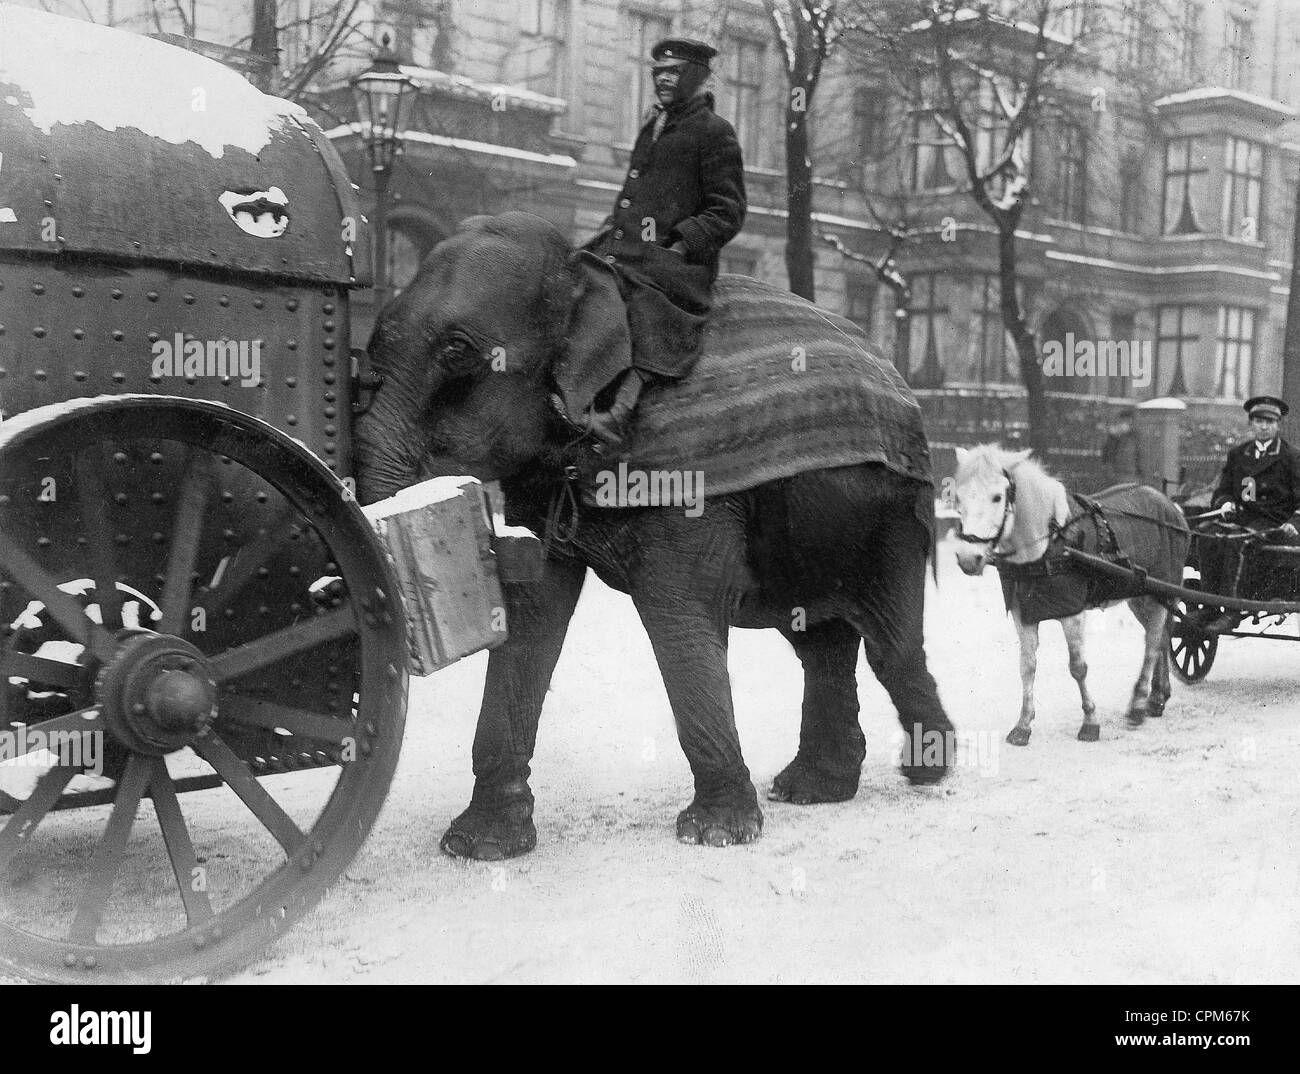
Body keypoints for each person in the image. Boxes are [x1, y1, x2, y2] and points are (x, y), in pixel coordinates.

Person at [581, 38, 747, 446]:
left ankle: (622, 409)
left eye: (673, 72)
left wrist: (682, 244)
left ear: (695, 77)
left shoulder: (714, 132)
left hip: (677, 267)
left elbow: (728, 210)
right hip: (628, 251)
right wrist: (609, 231)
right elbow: (635, 197)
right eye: (659, 72)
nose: (664, 80)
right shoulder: (653, 126)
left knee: (644, 305)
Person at [1198, 395, 1300, 633]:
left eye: (1269, 422)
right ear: (1251, 424)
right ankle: (1209, 606)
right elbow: (1223, 490)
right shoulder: (1239, 454)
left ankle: (1233, 609)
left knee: (1238, 543)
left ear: (1277, 425)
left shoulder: (1291, 457)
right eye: (1258, 421)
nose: (1264, 426)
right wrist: (1225, 503)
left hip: (1274, 523)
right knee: (1205, 535)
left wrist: (1293, 522)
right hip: (1242, 517)